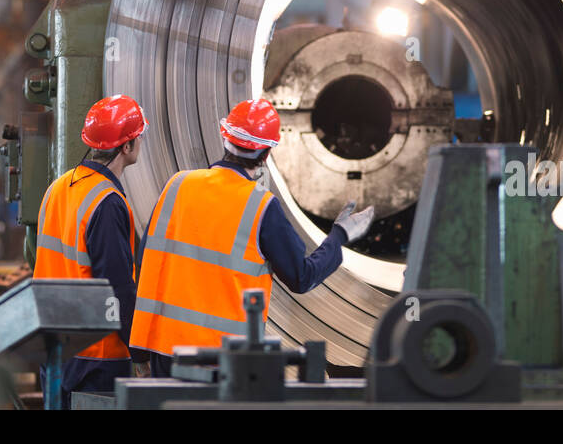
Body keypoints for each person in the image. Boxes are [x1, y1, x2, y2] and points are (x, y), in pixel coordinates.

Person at [130, 98, 374, 376]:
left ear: (225, 138)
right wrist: (340, 235)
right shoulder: (261, 206)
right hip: (222, 362)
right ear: (266, 154)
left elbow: (146, 265)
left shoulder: (177, 185)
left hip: (164, 350)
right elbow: (302, 277)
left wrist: (138, 351)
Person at [34, 94, 146, 408]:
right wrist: (140, 354)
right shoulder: (107, 201)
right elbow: (117, 288)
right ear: (127, 146)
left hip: (55, 348)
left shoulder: (59, 187)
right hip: (97, 356)